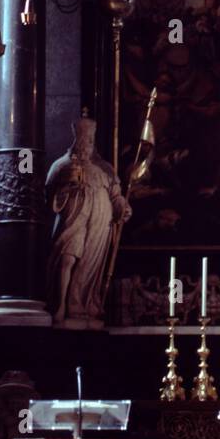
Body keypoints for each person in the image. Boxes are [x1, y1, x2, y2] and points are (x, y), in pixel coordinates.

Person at [46, 117, 130, 326]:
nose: (87, 145)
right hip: (74, 216)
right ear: (76, 140)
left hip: (100, 219)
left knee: (89, 263)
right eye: (83, 141)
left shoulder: (105, 169)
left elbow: (116, 196)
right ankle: (60, 305)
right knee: (67, 257)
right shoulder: (62, 165)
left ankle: (80, 304)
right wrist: (65, 186)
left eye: (90, 141)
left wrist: (123, 207)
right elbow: (48, 194)